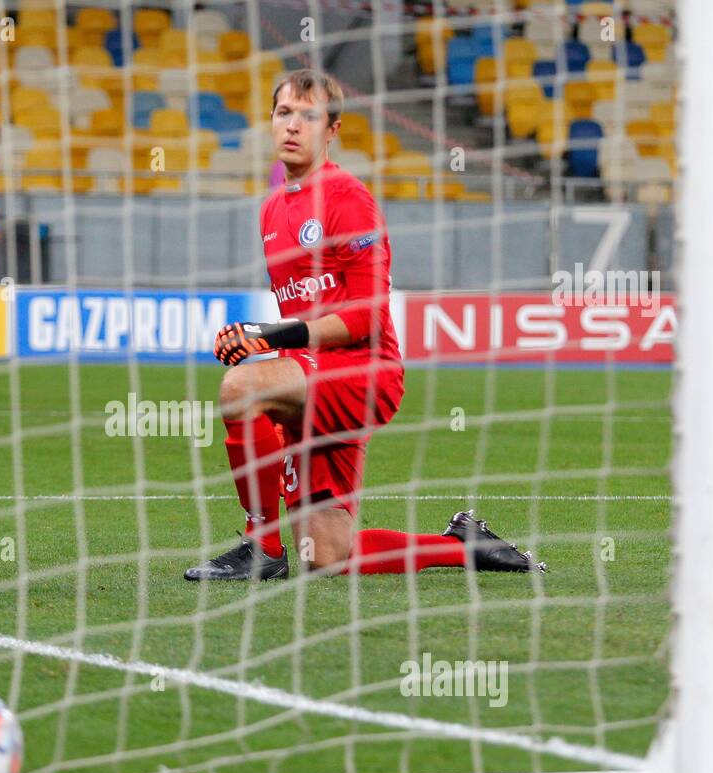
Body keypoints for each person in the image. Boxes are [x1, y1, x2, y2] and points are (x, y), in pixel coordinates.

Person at [184, 70, 546, 581]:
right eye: (283, 113)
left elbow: (367, 316)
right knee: (326, 558)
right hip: (312, 375)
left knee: (242, 388)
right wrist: (263, 339)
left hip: (363, 372)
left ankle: (260, 547)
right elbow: (309, 308)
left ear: (331, 130)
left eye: (307, 116)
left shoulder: (346, 197)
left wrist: (273, 336)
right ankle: (464, 545)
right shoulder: (271, 209)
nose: (292, 126)